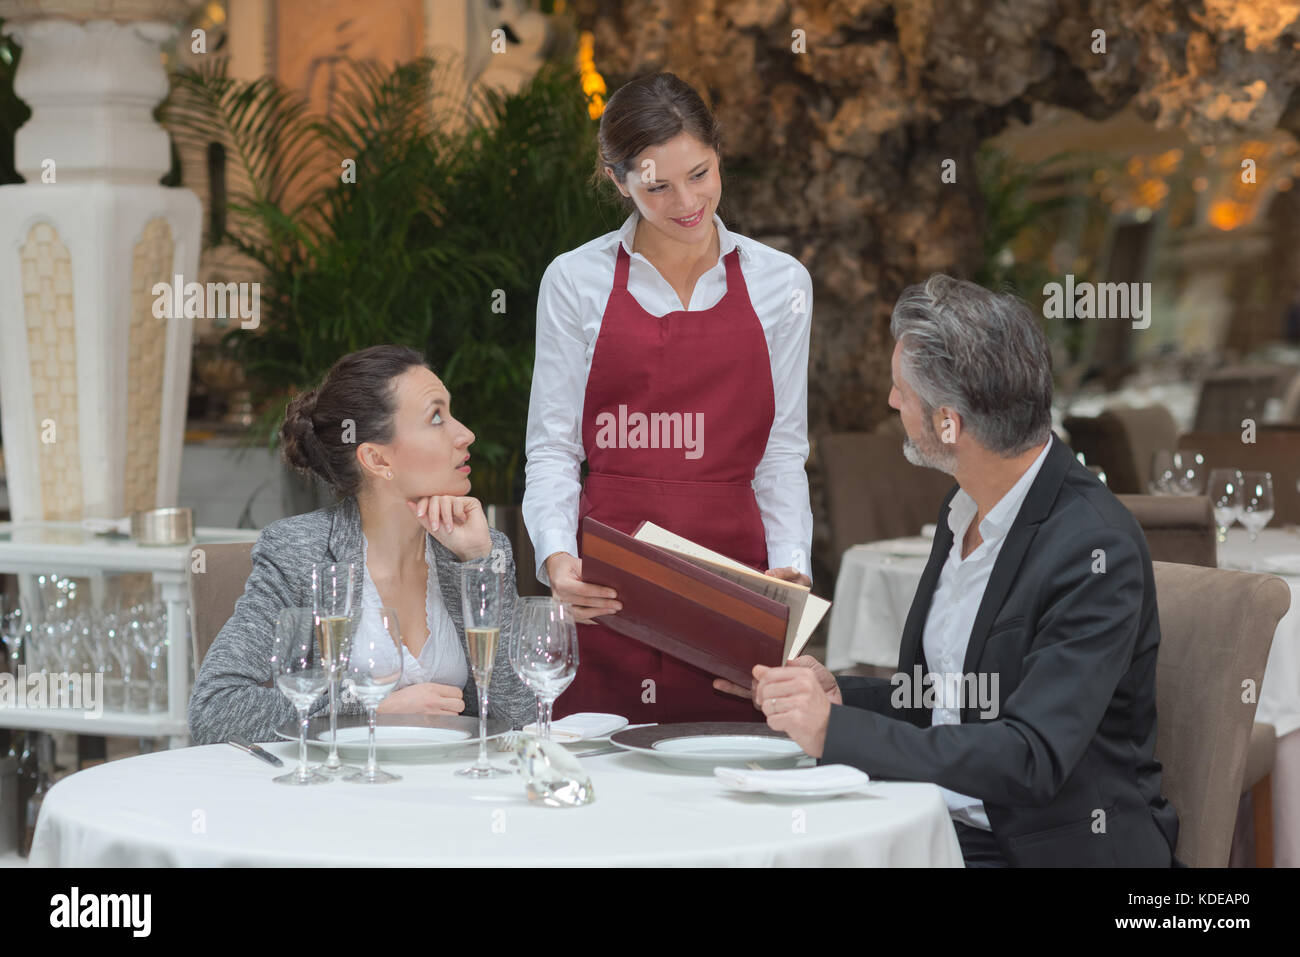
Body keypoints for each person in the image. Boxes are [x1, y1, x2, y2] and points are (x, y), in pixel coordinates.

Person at [718, 275, 1181, 866]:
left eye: (901, 392)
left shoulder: (1093, 548)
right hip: (940, 826)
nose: (891, 403)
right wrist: (843, 700)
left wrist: (837, 734)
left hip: (1044, 849)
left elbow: (1029, 755)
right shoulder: (965, 509)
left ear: (948, 423)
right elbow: (953, 702)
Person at [523, 72, 815, 723]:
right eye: (657, 186)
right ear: (618, 179)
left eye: (701, 174)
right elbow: (551, 450)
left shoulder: (781, 283)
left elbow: (781, 453)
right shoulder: (575, 280)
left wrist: (790, 571)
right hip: (610, 587)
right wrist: (556, 560)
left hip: (733, 589)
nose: (687, 202)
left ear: (718, 154)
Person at [188, 345, 534, 744]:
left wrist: (477, 562)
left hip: (449, 791)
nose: (465, 434)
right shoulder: (299, 554)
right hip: (340, 794)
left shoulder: (480, 550)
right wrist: (365, 710)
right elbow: (213, 712)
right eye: (437, 417)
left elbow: (520, 714)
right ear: (376, 459)